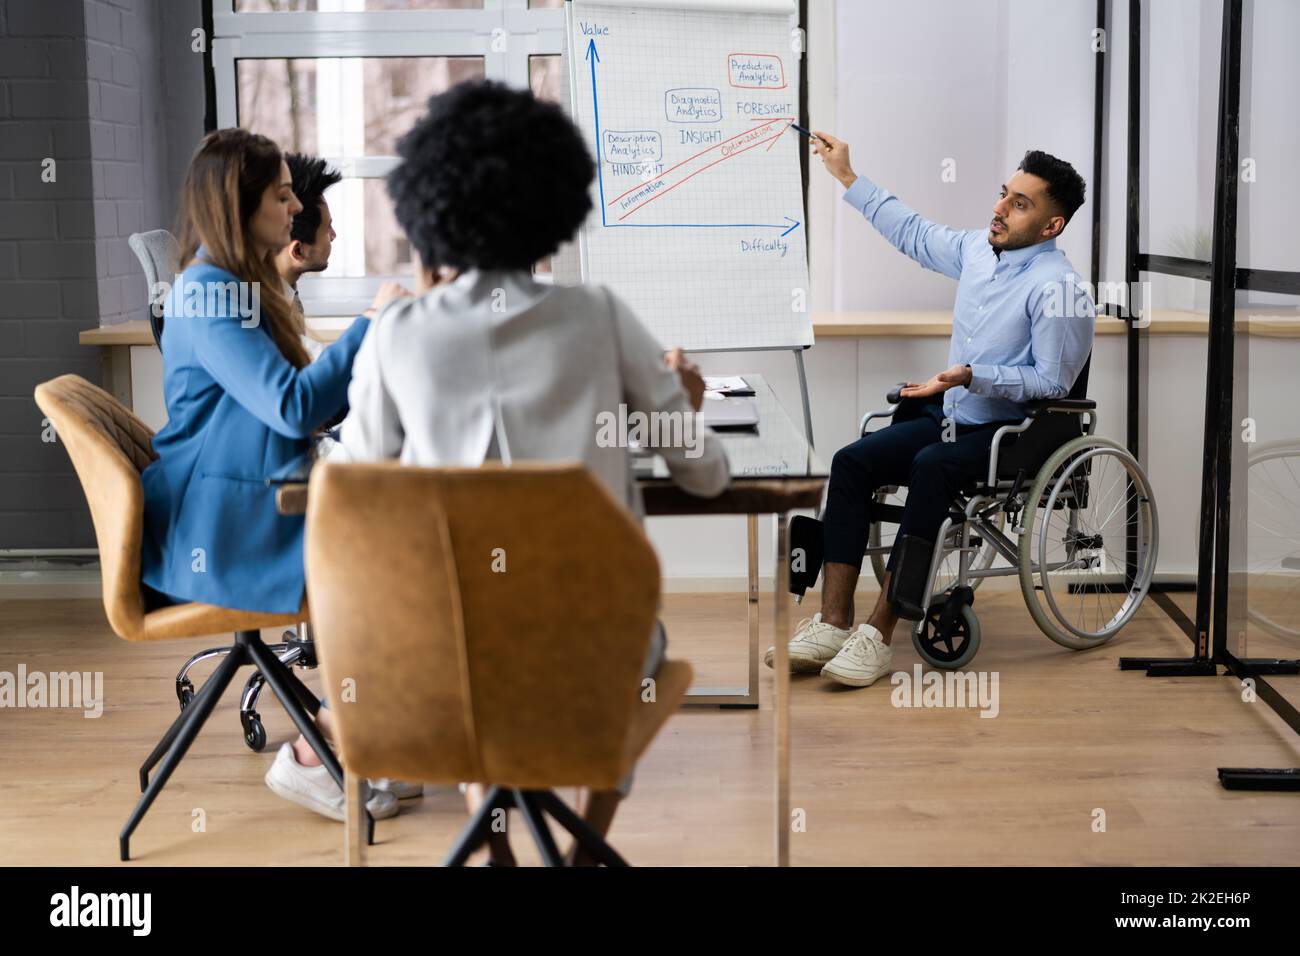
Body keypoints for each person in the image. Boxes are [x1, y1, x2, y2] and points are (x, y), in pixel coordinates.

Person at [338, 79, 730, 864]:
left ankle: (498, 852)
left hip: (433, 662)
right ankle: (582, 857)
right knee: (630, 652)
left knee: (475, 630)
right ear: (557, 200)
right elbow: (709, 478)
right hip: (590, 661)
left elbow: (352, 482)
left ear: (429, 204)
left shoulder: (397, 334)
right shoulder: (598, 316)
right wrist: (673, 410)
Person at [138, 128, 405, 822]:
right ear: (240, 204)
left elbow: (301, 401)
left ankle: (361, 744)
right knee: (396, 570)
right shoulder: (207, 294)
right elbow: (291, 407)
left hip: (237, 504)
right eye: (282, 195)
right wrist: (372, 321)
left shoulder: (235, 288)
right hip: (218, 528)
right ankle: (317, 756)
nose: (296, 210)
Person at [766, 135, 1095, 689]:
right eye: (1003, 195)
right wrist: (848, 176)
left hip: (1009, 434)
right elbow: (914, 233)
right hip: (950, 416)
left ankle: (879, 633)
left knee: (931, 467)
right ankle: (833, 621)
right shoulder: (977, 251)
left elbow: (1054, 382)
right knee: (851, 463)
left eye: (1020, 204)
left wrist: (974, 375)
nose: (1000, 208)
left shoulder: (1060, 288)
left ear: (1051, 226)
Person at [272, 153, 411, 361]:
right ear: (298, 251)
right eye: (327, 228)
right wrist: (374, 314)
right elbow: (314, 364)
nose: (334, 235)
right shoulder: (257, 307)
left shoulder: (284, 293)